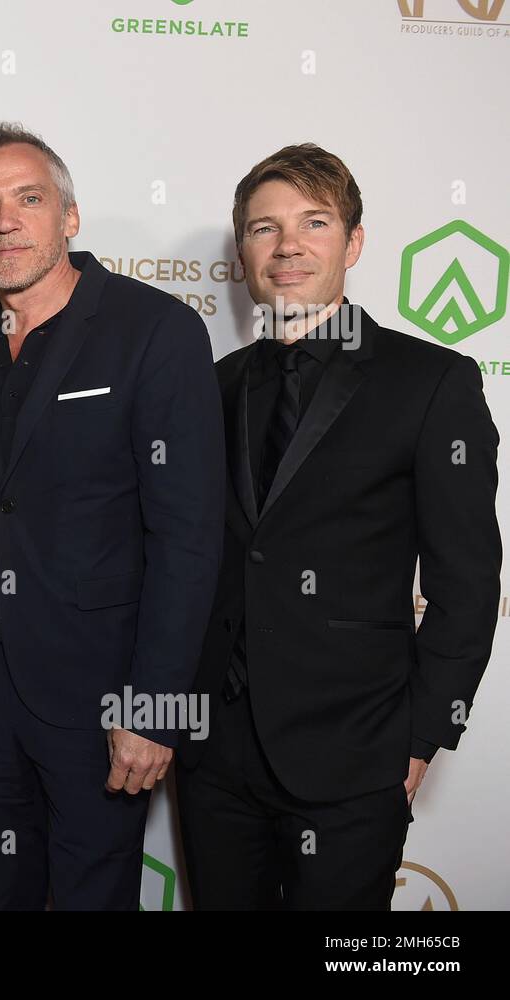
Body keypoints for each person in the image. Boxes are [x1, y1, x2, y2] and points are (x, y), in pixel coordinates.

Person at [175, 143, 500, 910]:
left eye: (313, 223)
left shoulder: (431, 382)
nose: (287, 246)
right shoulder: (211, 387)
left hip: (358, 756)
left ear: (353, 242)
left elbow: (466, 584)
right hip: (216, 757)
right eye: (264, 228)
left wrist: (419, 743)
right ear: (243, 251)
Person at [0, 122, 225, 910]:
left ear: (69, 216)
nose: (6, 221)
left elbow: (190, 532)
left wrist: (155, 702)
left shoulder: (155, 329)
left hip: (102, 692)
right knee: (2, 892)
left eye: (29, 200)